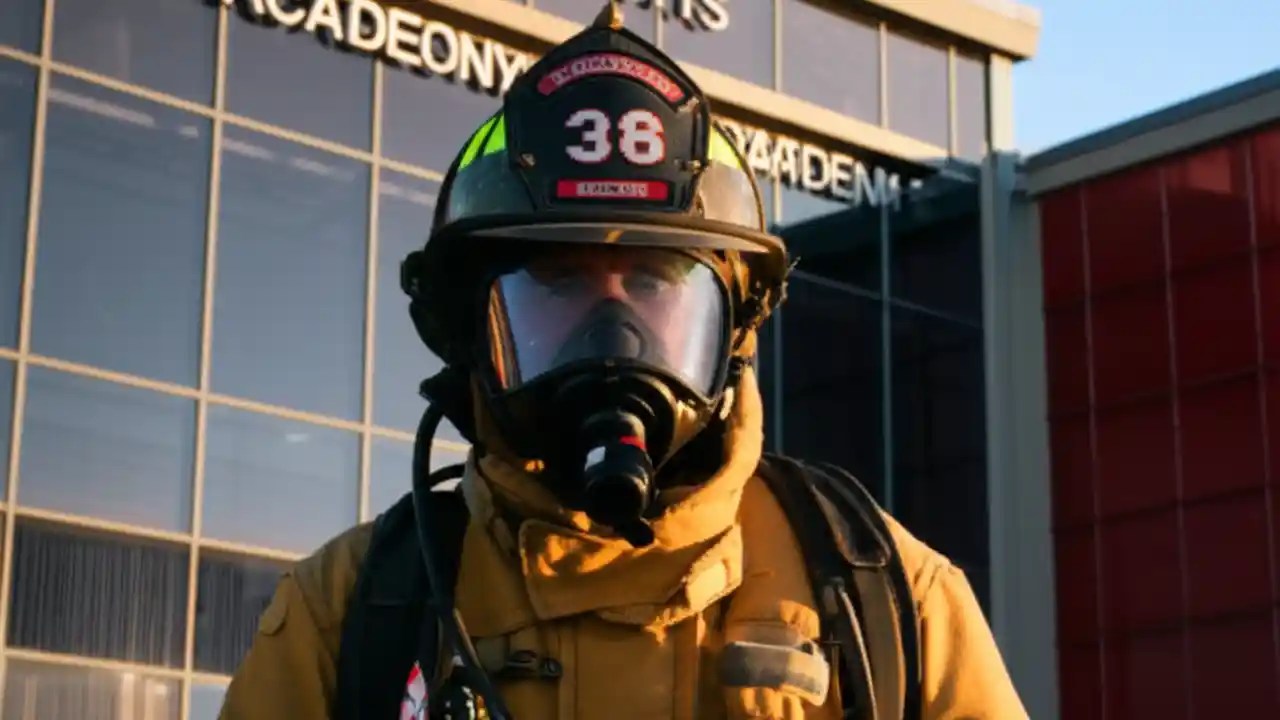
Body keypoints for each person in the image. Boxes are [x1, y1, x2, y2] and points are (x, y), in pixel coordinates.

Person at [218, 4, 1028, 719]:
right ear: (474, 330)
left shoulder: (887, 602)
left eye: (653, 282)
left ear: (734, 327)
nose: (613, 337)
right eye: (557, 287)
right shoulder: (349, 613)